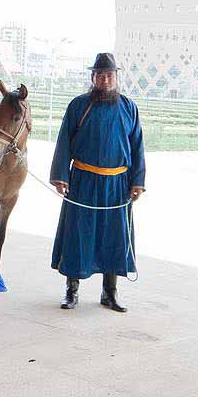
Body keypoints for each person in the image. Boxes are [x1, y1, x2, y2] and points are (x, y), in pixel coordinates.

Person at [49, 54, 146, 312]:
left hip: (117, 185)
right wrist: (61, 177)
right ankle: (71, 291)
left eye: (109, 75)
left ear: (116, 77)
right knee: (78, 235)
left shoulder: (129, 107)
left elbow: (137, 146)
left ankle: (109, 293)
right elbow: (63, 142)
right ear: (93, 77)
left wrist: (137, 181)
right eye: (100, 75)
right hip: (84, 181)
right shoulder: (78, 106)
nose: (105, 80)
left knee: (114, 237)